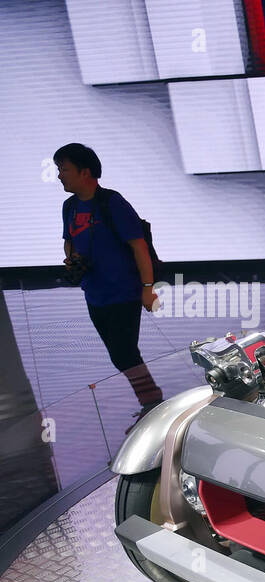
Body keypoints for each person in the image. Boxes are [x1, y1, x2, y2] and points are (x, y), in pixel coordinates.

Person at [54, 143, 163, 416]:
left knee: (124, 353)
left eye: (64, 169)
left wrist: (148, 288)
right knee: (120, 355)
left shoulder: (112, 202)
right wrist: (72, 258)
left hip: (123, 291)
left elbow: (139, 246)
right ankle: (150, 402)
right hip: (94, 292)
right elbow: (69, 241)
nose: (59, 176)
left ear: (85, 172)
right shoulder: (69, 206)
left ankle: (153, 403)